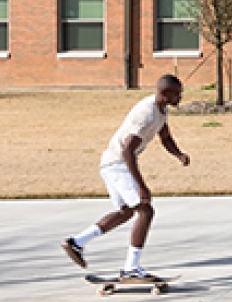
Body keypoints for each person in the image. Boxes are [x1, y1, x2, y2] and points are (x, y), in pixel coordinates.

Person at [62, 75, 191, 279]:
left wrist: (178, 154)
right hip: (117, 163)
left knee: (126, 212)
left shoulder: (161, 110)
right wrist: (141, 186)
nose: (180, 97)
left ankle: (76, 242)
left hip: (111, 163)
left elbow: (165, 136)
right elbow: (128, 151)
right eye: (177, 93)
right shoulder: (146, 113)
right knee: (145, 211)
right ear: (165, 94)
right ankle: (131, 268)